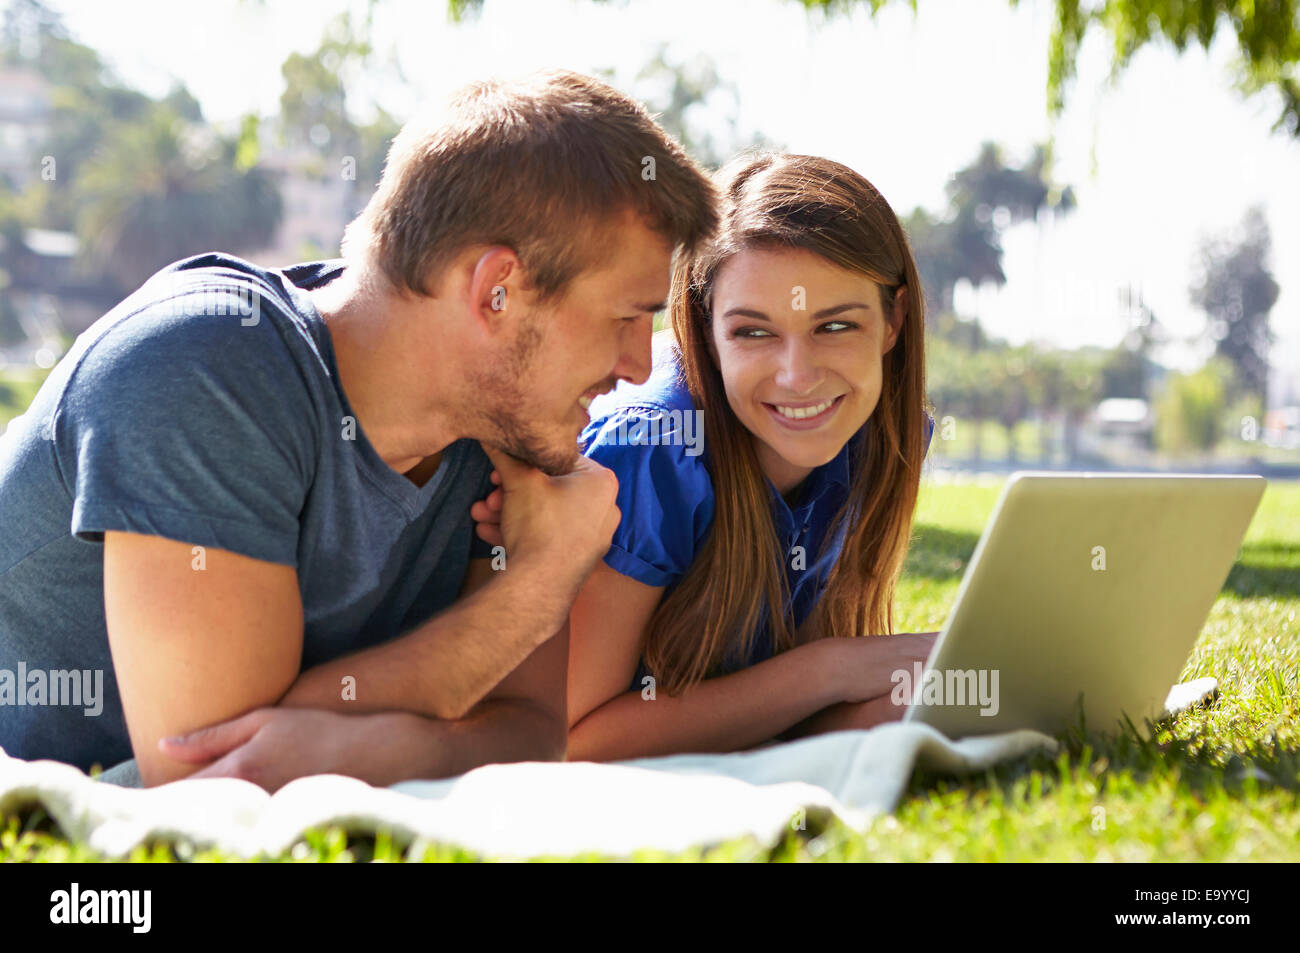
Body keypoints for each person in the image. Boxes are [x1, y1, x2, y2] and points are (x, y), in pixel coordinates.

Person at [0, 69, 717, 789]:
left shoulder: (514, 427)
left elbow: (531, 731)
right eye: (627, 318)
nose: (635, 364)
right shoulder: (204, 366)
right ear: (496, 291)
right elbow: (213, 782)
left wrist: (380, 752)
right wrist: (539, 582)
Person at [475, 153, 939, 761]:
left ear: (893, 321)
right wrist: (826, 670)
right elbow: (569, 740)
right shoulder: (654, 450)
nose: (798, 377)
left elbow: (788, 716)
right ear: (706, 331)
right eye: (753, 332)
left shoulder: (880, 434)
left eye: (834, 327)